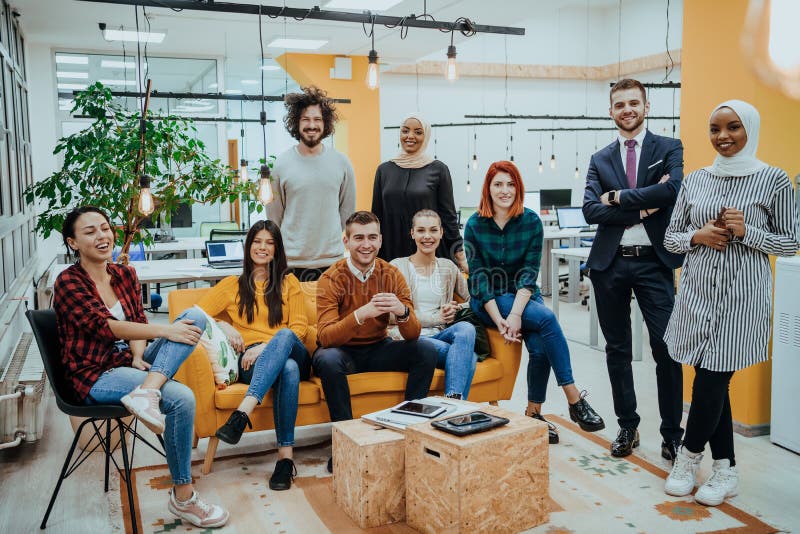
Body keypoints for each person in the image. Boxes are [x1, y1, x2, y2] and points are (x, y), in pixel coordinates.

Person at [53, 206, 228, 529]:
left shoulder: (125, 274)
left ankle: (147, 390)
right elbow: (105, 327)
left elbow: (136, 319)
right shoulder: (68, 282)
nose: (102, 236)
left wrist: (137, 355)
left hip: (127, 362)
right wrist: (166, 331)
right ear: (73, 242)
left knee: (195, 317)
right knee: (181, 397)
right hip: (95, 374)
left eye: (105, 228)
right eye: (90, 232)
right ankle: (184, 497)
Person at [663, 100, 798, 506]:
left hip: (742, 299)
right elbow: (671, 239)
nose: (723, 136)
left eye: (733, 127)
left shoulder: (773, 180)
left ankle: (688, 456)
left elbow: (790, 243)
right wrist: (697, 236)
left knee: (711, 379)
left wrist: (748, 232)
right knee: (711, 379)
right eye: (715, 129)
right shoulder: (696, 180)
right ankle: (726, 470)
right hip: (697, 295)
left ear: (749, 129)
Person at [464, 161, 604, 445]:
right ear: (488, 189)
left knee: (539, 348)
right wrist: (501, 319)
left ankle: (533, 414)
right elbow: (478, 278)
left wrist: (516, 314)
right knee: (547, 319)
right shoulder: (475, 224)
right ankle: (574, 398)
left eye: (511, 184)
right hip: (489, 300)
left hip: (523, 294)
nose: (505, 190)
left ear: (519, 188)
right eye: (498, 184)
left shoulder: (530, 221)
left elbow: (529, 273)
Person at [582, 78, 685, 460]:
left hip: (654, 262)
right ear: (611, 111)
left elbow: (673, 190)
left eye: (633, 103)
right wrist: (643, 208)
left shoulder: (668, 147)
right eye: (620, 104)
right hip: (610, 264)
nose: (627, 110)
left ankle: (672, 435)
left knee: (667, 348)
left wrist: (619, 198)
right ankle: (628, 426)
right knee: (618, 349)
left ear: (646, 107)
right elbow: (591, 210)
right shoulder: (600, 158)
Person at [313, 211, 439, 472]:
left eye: (372, 237)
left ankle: (409, 432)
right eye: (358, 238)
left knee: (426, 350)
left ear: (380, 240)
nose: (366, 244)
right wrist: (361, 314)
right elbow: (325, 337)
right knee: (327, 358)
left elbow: (413, 334)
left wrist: (402, 312)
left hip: (379, 349)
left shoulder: (390, 274)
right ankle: (344, 444)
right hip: (343, 353)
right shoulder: (331, 278)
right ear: (346, 241)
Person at [196, 220, 311, 491]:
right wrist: (223, 325)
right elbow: (195, 316)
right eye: (257, 241)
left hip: (289, 347)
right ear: (248, 247)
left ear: (277, 249)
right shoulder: (230, 285)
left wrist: (266, 347)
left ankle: (242, 413)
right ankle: (285, 460)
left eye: (269, 243)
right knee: (288, 369)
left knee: (285, 338)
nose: (262, 247)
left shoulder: (289, 283)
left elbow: (300, 329)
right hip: (252, 361)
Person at [267, 85, 356, 281]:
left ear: (325, 123)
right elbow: (274, 216)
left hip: (332, 260)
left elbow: (347, 212)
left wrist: (328, 235)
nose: (311, 125)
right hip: (290, 261)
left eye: (317, 119)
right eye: (305, 119)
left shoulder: (342, 163)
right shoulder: (281, 164)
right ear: (296, 123)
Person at [390, 209, 477, 400]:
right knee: (470, 357)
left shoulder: (448, 267)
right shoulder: (396, 266)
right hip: (409, 338)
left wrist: (456, 309)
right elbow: (388, 314)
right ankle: (455, 404)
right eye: (421, 230)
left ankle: (452, 402)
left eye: (433, 230)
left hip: (439, 335)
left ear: (441, 233)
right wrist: (435, 318)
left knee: (466, 328)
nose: (427, 236)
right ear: (412, 233)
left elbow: (474, 300)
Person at [372, 113, 467, 272]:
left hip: (428, 251)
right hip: (391, 253)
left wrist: (460, 255)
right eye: (405, 131)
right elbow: (376, 216)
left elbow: (448, 216)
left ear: (426, 135)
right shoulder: (384, 170)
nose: (410, 136)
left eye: (418, 132)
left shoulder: (438, 169)